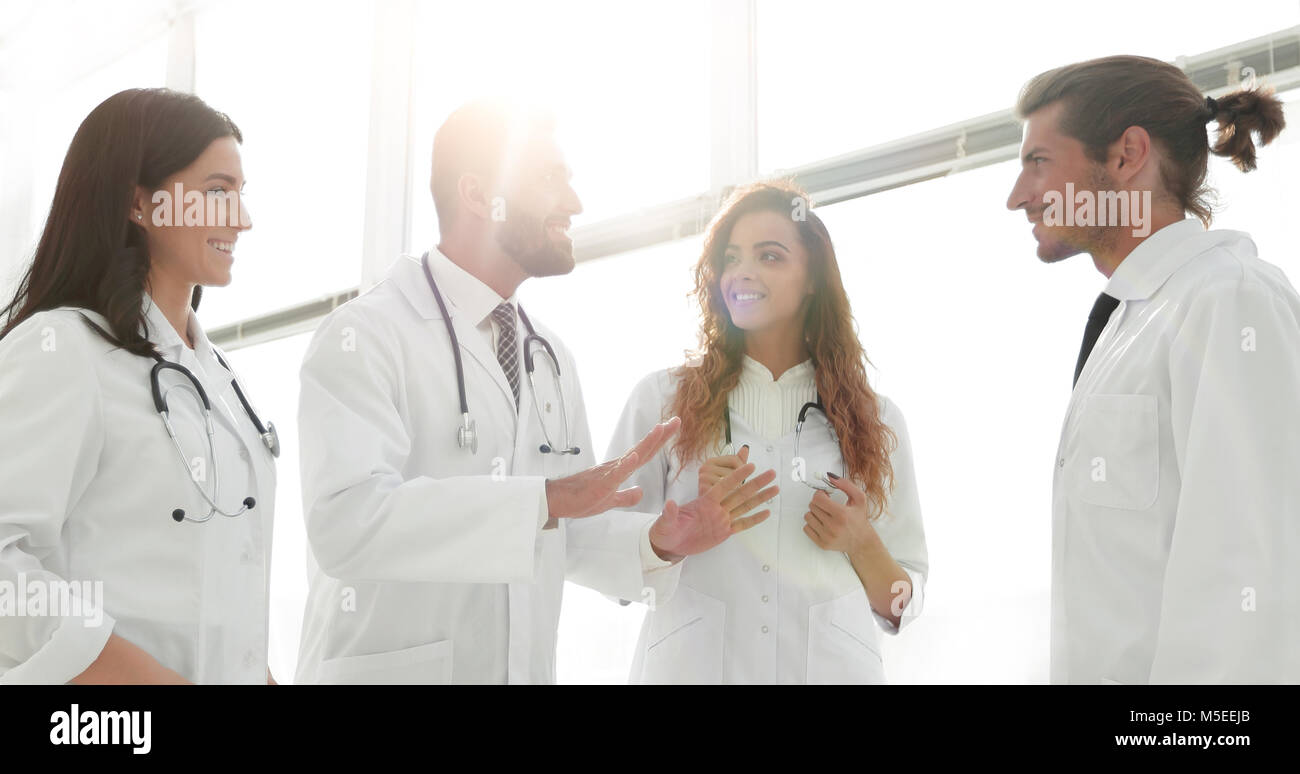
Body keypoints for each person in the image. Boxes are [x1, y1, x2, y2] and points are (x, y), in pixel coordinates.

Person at [294, 101, 778, 684]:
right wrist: (543, 500)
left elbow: (566, 532)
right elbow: (347, 523)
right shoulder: (365, 335)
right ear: (478, 194)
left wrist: (658, 540)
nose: (574, 203)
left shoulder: (549, 359)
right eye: (551, 179)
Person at [1006, 55, 1300, 684]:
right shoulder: (1128, 324)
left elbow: (1247, 588)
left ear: (1125, 155)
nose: (1017, 197)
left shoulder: (1228, 300)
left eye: (1037, 163)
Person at [0, 88, 276, 684]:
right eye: (217, 192)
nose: (243, 219)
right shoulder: (64, 350)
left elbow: (224, 596)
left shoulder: (215, 379)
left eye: (241, 194)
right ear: (139, 204)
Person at [607, 181, 928, 684]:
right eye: (731, 258)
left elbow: (903, 606)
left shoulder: (878, 421)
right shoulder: (661, 401)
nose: (743, 273)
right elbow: (606, 566)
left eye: (770, 256)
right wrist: (670, 539)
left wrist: (863, 544)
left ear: (813, 279)